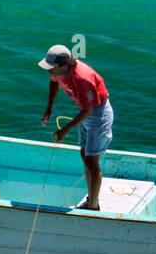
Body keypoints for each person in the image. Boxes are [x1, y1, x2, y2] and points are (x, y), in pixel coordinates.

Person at [38, 44, 114, 211]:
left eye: (52, 67)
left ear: (64, 65)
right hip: (84, 111)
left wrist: (64, 130)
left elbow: (89, 110)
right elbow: (54, 83)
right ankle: (92, 198)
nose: (49, 71)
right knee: (84, 154)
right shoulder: (58, 72)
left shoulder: (82, 79)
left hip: (98, 114)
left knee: (92, 161)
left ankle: (93, 206)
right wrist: (49, 108)